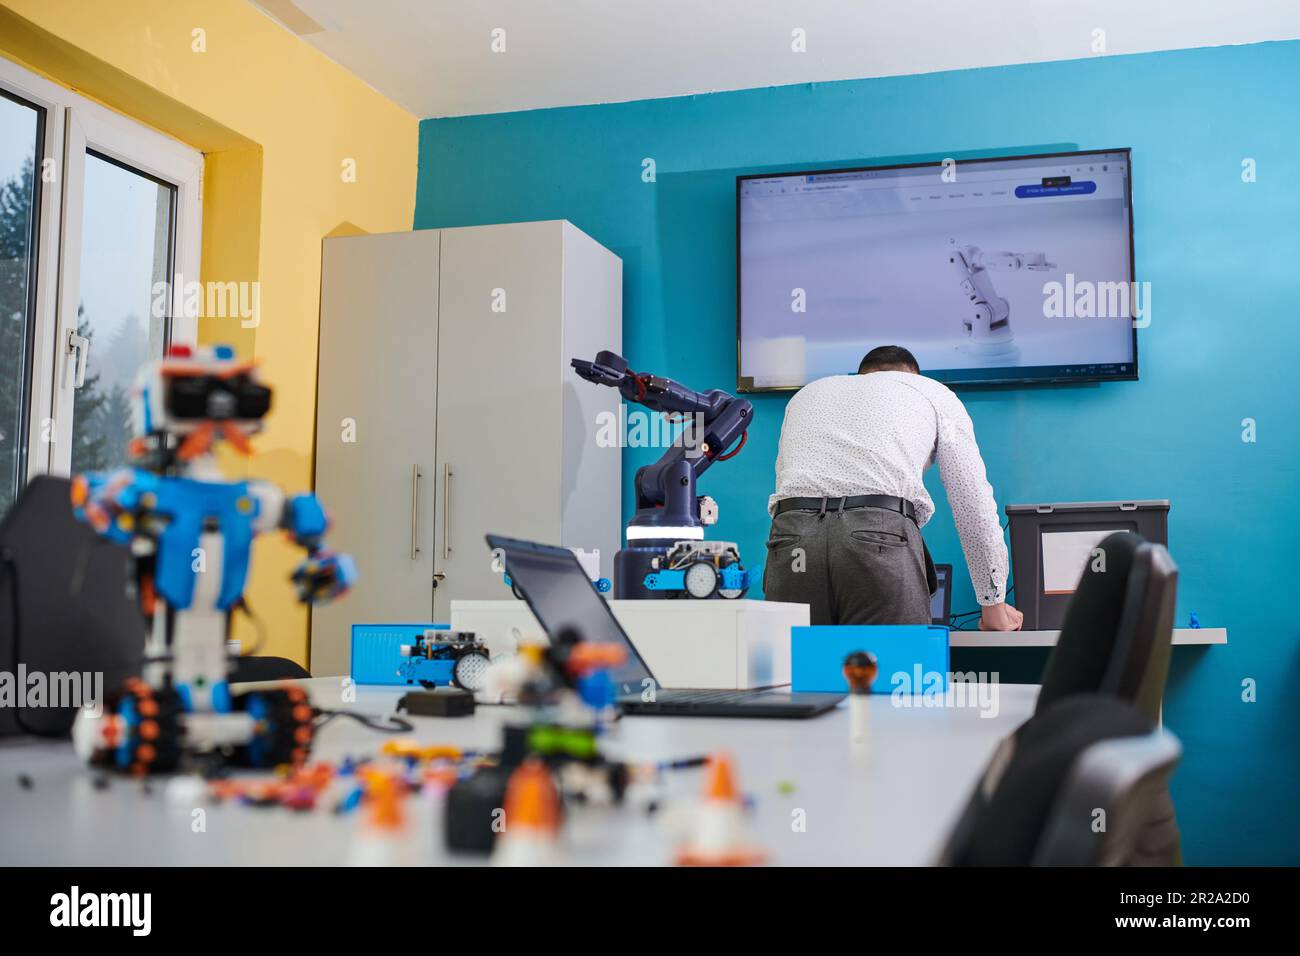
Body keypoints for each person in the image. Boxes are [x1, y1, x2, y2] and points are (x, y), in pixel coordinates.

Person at [763, 345, 1023, 631]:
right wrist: (993, 603)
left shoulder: (807, 394)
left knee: (796, 660)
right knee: (893, 660)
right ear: (913, 375)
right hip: (877, 535)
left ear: (861, 375)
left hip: (793, 538)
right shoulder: (931, 391)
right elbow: (970, 498)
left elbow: (786, 482)